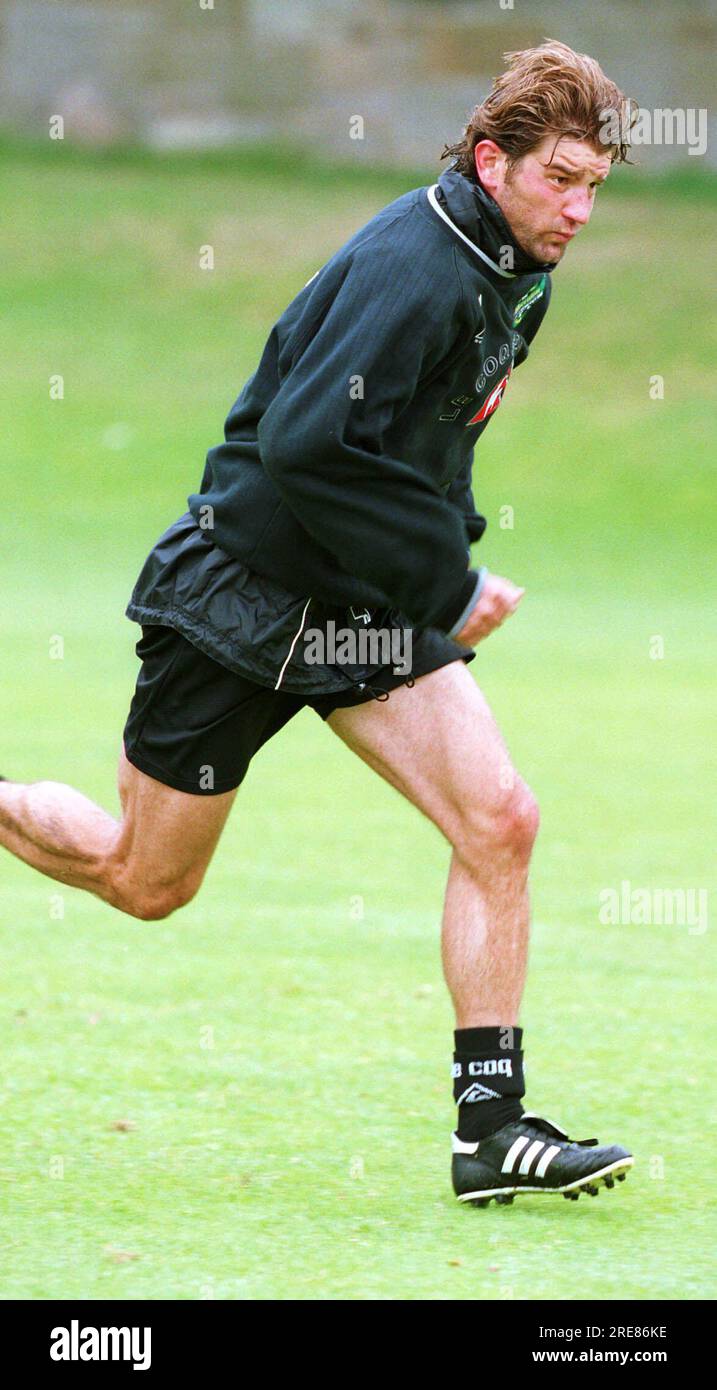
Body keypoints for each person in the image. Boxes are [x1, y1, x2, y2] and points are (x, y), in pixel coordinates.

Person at [1, 41, 636, 1205]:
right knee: (146, 881)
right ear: (493, 162)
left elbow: (434, 432)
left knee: (501, 819)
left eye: (596, 184)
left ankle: (489, 1131)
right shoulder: (422, 265)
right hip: (241, 597)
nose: (582, 208)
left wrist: (443, 566)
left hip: (361, 602)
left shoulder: (515, 266)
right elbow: (306, 444)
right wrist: (446, 583)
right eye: (563, 180)